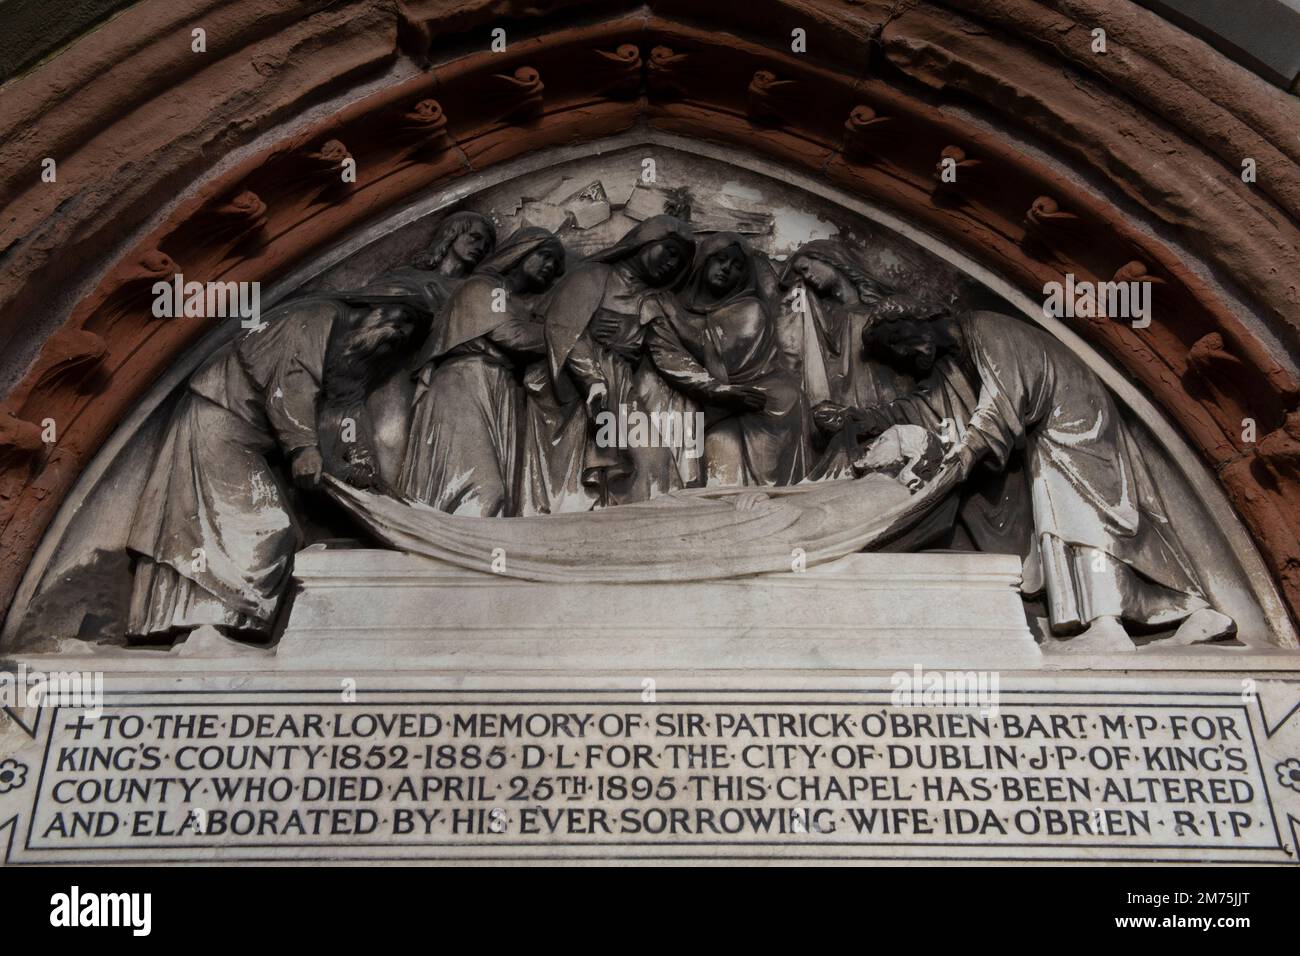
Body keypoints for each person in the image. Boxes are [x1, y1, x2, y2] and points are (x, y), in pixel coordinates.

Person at [862, 309, 1236, 649]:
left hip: (1072, 419)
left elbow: (1001, 405)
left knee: (1086, 511)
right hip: (1052, 426)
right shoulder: (960, 356)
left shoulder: (988, 329)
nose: (902, 354)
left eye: (897, 340)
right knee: (1076, 512)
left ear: (919, 317)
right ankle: (1191, 609)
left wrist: (963, 457)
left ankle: (1109, 624)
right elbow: (952, 408)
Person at [125, 292, 427, 642]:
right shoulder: (319, 315)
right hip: (218, 416)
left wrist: (362, 466)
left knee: (251, 530)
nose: (400, 329)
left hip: (244, 434)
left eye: (410, 328)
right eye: (400, 314)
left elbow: (346, 413)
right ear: (372, 303)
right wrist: (303, 447)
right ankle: (203, 626)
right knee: (265, 528)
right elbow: (291, 379)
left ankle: (211, 626)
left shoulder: (353, 356)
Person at [518, 215, 695, 513]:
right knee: (574, 484)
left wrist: (724, 389)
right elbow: (564, 329)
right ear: (645, 242)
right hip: (569, 387)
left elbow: (672, 357)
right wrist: (592, 379)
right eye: (671, 251)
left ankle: (651, 542)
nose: (673, 264)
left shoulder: (651, 302)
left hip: (619, 384)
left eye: (681, 261)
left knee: (655, 464)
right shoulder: (591, 276)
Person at [399, 227, 565, 516]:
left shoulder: (519, 305)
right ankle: (451, 552)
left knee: (505, 503)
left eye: (556, 264)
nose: (550, 267)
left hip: (500, 390)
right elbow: (513, 336)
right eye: (545, 255)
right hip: (464, 384)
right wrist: (573, 331)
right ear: (520, 251)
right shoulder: (482, 287)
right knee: (483, 488)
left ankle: (481, 553)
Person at [649, 232, 812, 486]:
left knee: (721, 447)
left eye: (737, 266)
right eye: (721, 259)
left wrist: (675, 318)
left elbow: (725, 361)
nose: (727, 268)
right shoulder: (675, 306)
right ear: (704, 260)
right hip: (714, 400)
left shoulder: (751, 309)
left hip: (763, 399)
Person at [779, 239, 912, 433]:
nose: (806, 277)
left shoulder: (878, 313)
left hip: (884, 413)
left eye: (806, 268)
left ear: (828, 259)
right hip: (845, 417)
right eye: (802, 274)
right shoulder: (826, 319)